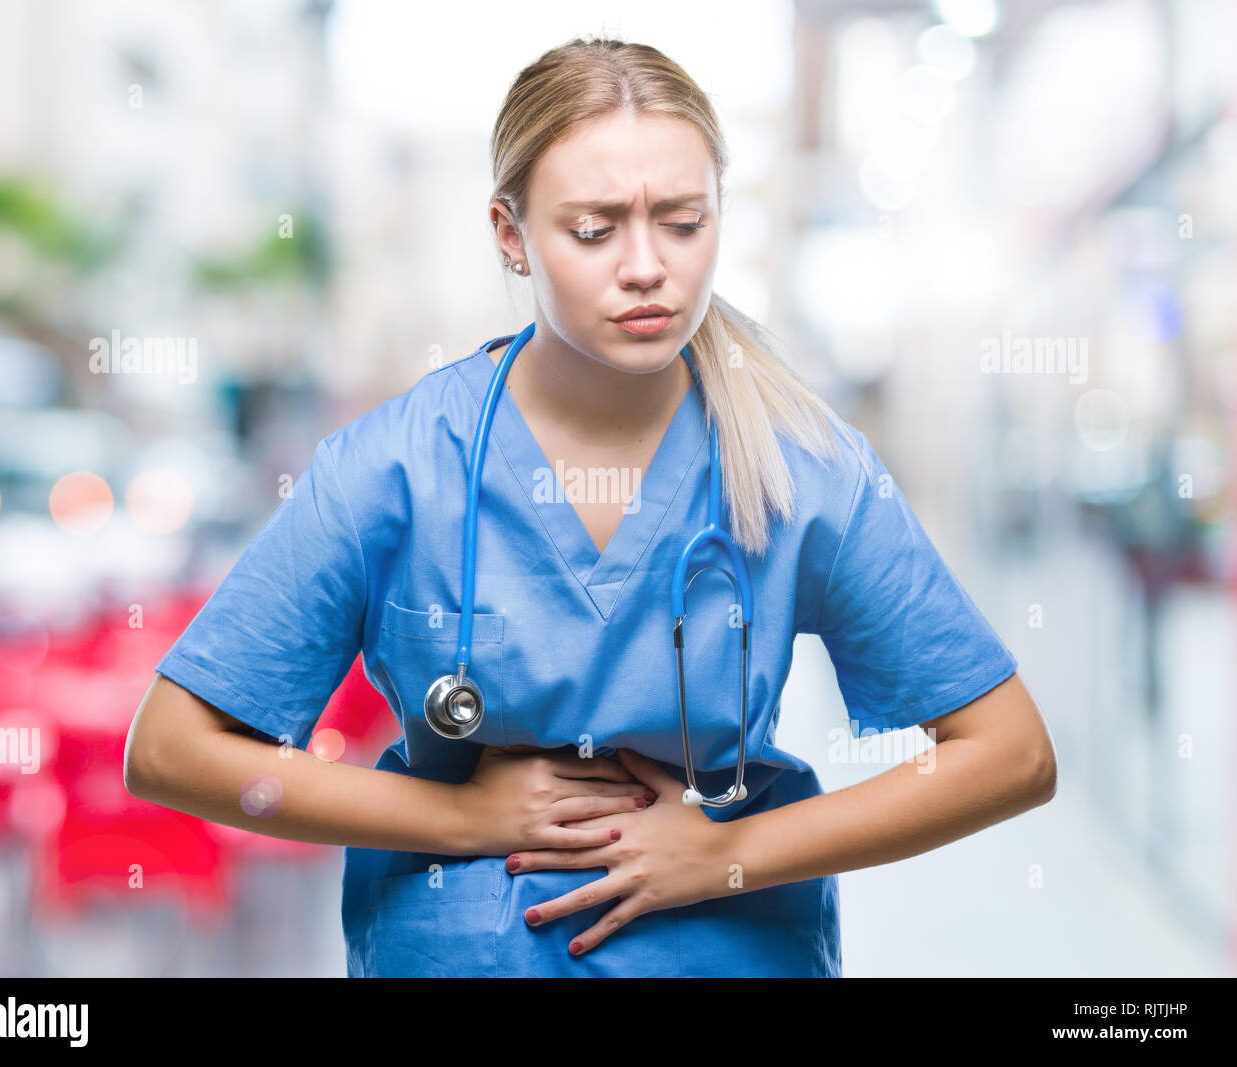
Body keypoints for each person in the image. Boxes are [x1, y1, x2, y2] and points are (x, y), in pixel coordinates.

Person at [124, 36, 1056, 978]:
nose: (647, 267)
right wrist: (460, 814)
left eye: (684, 222)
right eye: (595, 229)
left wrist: (725, 854)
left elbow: (1008, 752)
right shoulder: (392, 468)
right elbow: (171, 749)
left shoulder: (800, 466)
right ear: (509, 234)